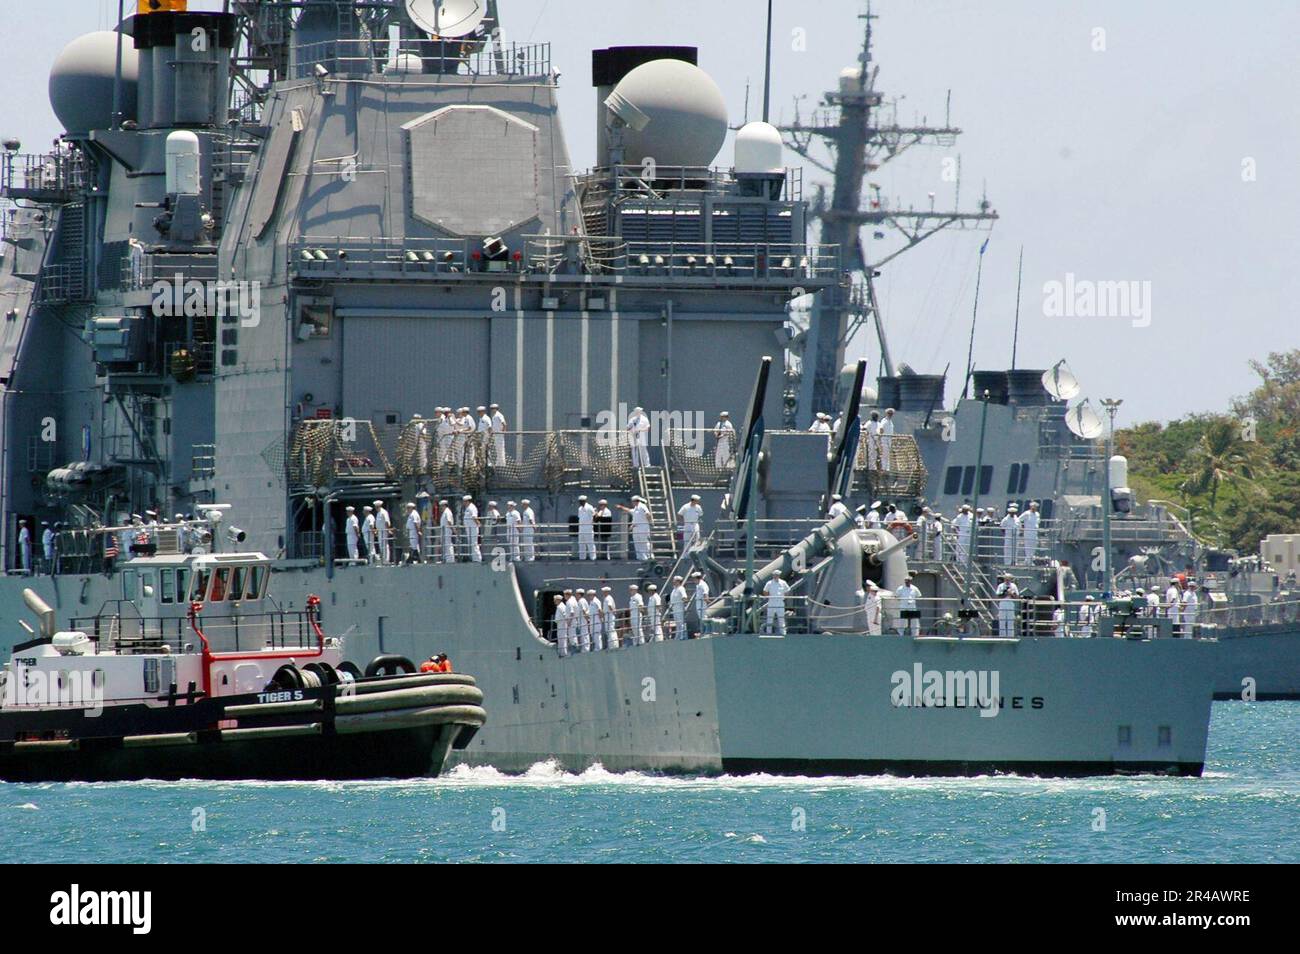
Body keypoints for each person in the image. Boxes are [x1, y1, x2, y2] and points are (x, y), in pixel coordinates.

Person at [619, 496, 652, 560]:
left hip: (642, 528)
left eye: (632, 501)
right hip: (636, 528)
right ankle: (640, 557)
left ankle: (647, 556)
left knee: (643, 542)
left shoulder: (642, 506)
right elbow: (630, 511)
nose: (632, 503)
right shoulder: (636, 508)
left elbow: (648, 514)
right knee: (637, 542)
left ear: (635, 501)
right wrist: (621, 507)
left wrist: (649, 522)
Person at [763, 571, 789, 636]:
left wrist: (784, 597)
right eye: (775, 575)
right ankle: (768, 632)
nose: (776, 576)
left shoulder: (783, 582)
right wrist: (769, 597)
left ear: (779, 575)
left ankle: (783, 632)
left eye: (777, 574)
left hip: (780, 602)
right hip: (772, 602)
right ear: (773, 575)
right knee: (770, 618)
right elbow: (765, 591)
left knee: (781, 618)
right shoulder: (769, 583)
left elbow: (787, 590)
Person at [995, 572, 1019, 637]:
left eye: (1009, 579)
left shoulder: (1013, 586)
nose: (1007, 580)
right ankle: (1002, 636)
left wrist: (1011, 593)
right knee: (1002, 620)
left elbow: (1017, 596)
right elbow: (998, 596)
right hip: (1003, 603)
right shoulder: (1001, 586)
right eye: (1006, 579)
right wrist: (1006, 593)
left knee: (1010, 620)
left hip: (1010, 603)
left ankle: (1010, 635)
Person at [576, 495, 596, 560]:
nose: (580, 502)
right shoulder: (580, 509)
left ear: (584, 501)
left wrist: (592, 522)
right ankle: (582, 558)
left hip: (588, 527)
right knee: (581, 543)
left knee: (590, 543)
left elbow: (594, 514)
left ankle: (593, 558)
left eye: (581, 501)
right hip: (581, 528)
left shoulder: (589, 507)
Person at [462, 495, 481, 562]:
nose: (463, 503)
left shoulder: (472, 507)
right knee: (471, 544)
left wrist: (479, 524)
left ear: (468, 501)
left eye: (464, 501)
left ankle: (478, 559)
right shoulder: (467, 508)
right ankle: (474, 558)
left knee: (474, 544)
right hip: (469, 529)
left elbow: (474, 517)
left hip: (473, 529)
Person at [691, 570, 710, 636]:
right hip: (699, 602)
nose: (693, 580)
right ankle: (703, 631)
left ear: (697, 578)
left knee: (704, 617)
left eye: (694, 579)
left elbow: (705, 593)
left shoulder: (703, 584)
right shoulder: (698, 585)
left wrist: (707, 601)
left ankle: (707, 631)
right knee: (701, 617)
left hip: (702, 603)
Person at [669, 575, 688, 639]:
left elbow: (684, 597)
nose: (673, 582)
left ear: (678, 581)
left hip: (679, 607)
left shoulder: (681, 588)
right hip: (675, 608)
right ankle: (678, 636)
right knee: (677, 623)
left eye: (675, 580)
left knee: (681, 622)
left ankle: (683, 636)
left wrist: (684, 604)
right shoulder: (674, 589)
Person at [373, 500, 391, 564]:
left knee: (384, 545)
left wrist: (388, 530)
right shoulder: (378, 513)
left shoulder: (384, 512)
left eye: (377, 506)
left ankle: (386, 560)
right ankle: (383, 559)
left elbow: (387, 522)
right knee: (381, 545)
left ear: (380, 506)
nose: (376, 508)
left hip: (384, 531)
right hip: (380, 531)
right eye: (376, 507)